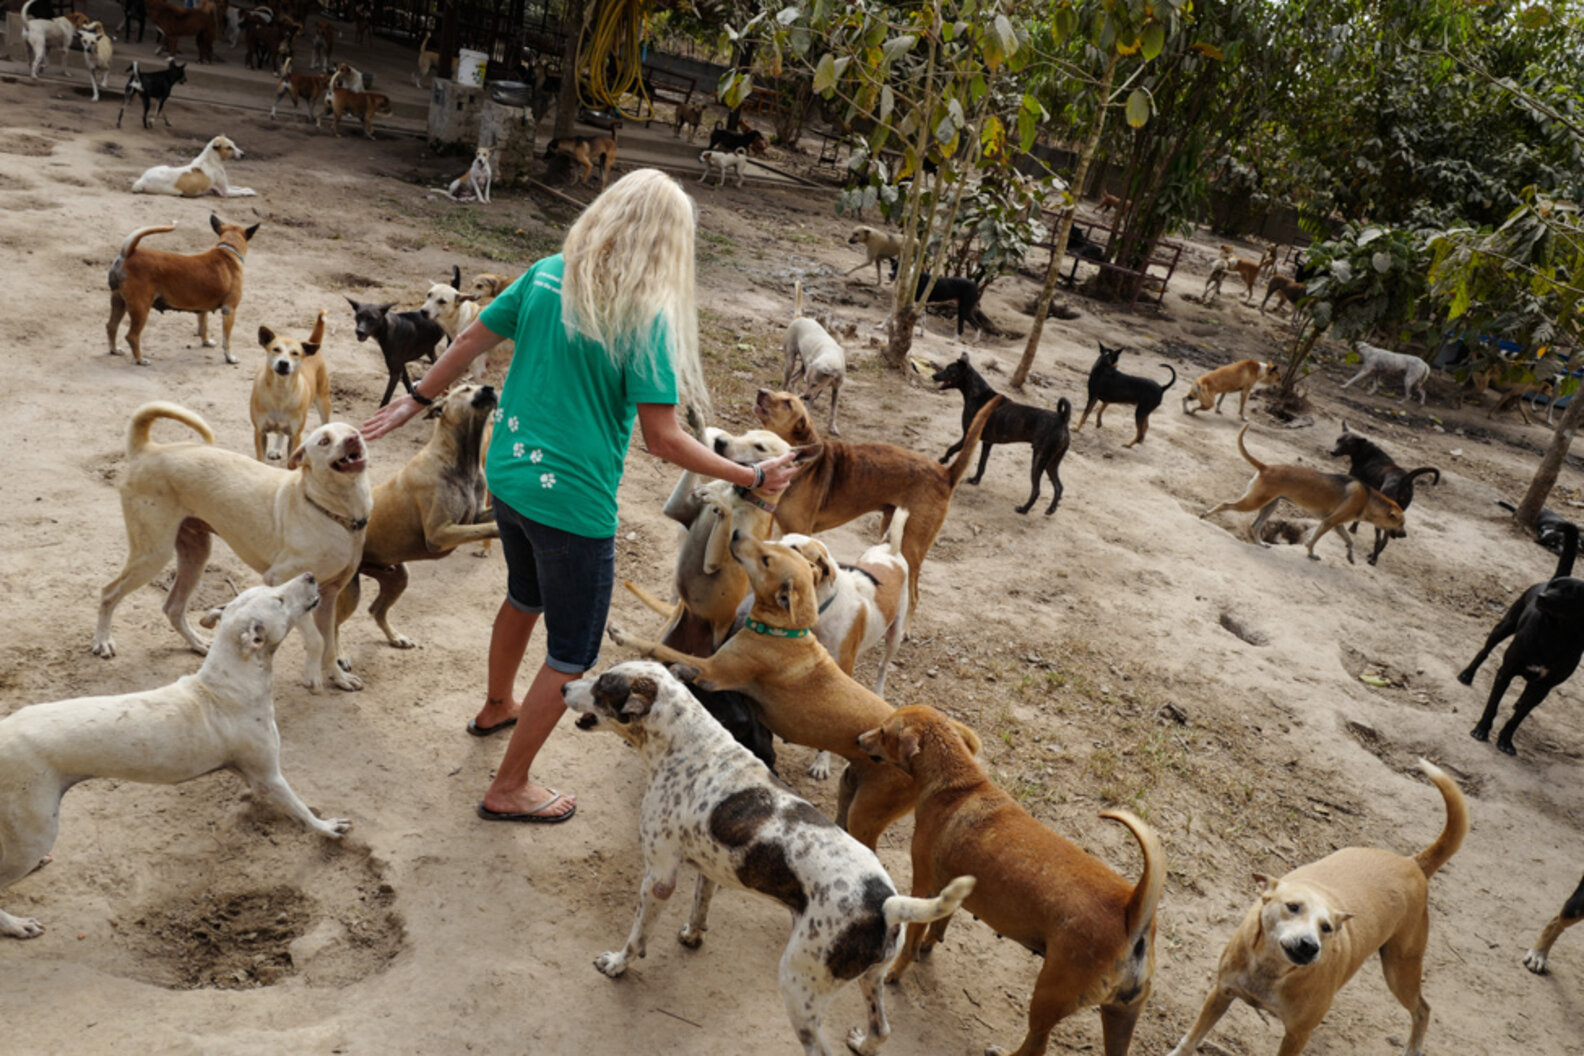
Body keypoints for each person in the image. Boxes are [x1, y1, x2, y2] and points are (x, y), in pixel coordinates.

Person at [362, 168, 797, 822]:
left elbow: (473, 338)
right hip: (571, 504)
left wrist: (416, 399)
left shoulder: (545, 272)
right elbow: (664, 439)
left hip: (507, 473)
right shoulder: (643, 316)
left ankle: (496, 705)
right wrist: (754, 477)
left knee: (524, 596)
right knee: (572, 653)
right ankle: (509, 787)